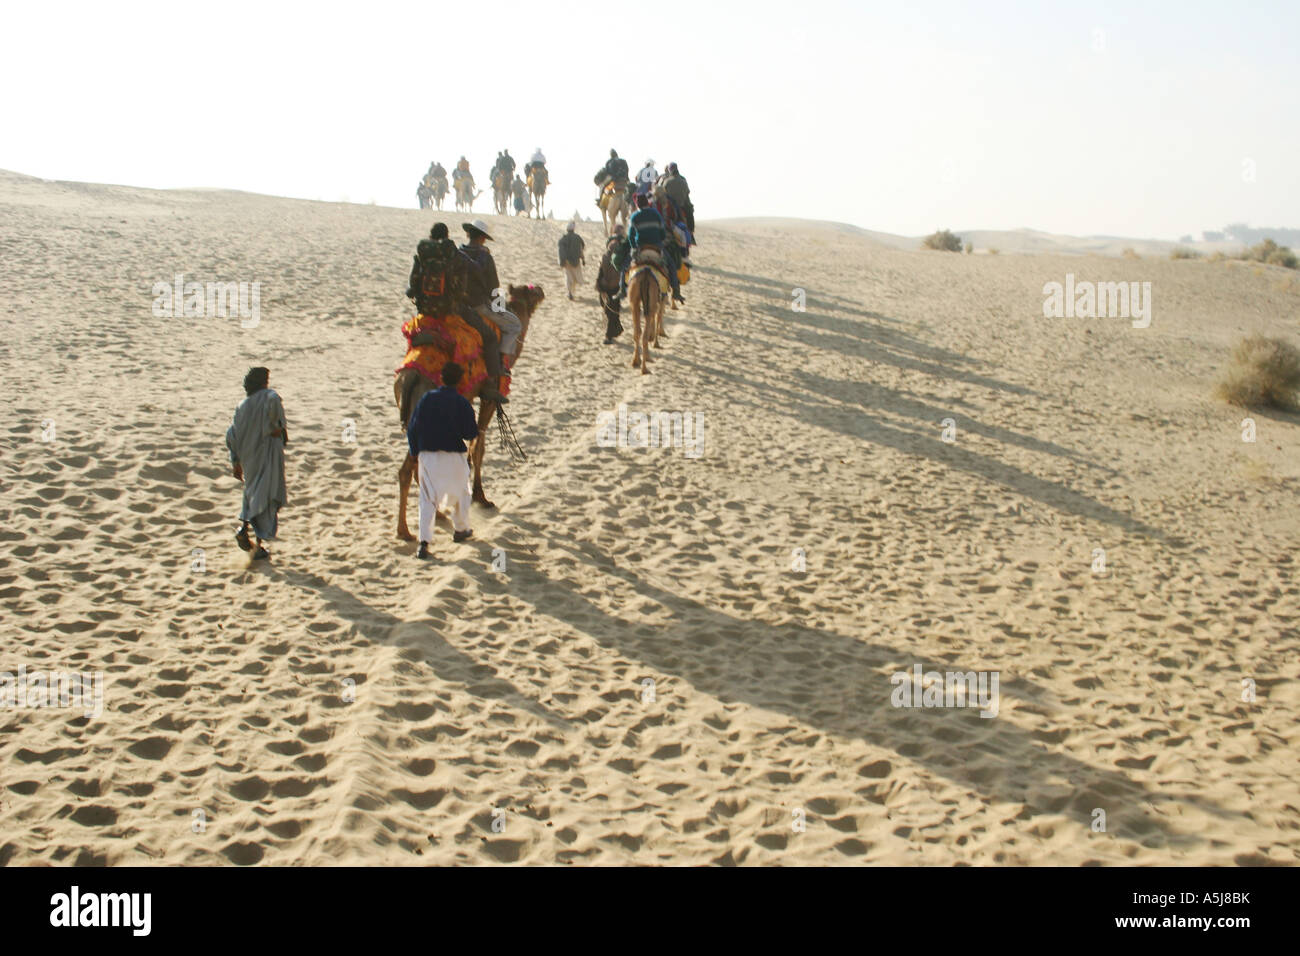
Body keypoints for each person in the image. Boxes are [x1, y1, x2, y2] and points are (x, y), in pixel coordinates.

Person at [407, 361, 479, 559]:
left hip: (428, 456)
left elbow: (412, 428)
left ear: (441, 378)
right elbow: (470, 433)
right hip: (454, 457)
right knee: (462, 494)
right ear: (460, 381)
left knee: (427, 500)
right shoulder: (462, 403)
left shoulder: (426, 399)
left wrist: (414, 452)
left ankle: (424, 543)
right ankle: (461, 529)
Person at [225, 367, 288, 562]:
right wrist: (279, 432)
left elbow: (231, 435)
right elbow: (277, 426)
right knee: (267, 496)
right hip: (267, 454)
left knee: (252, 493)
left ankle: (244, 529)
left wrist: (236, 462)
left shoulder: (242, 406)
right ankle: (257, 543)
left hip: (248, 457)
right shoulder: (271, 397)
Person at [459, 219, 522, 402]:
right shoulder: (485, 257)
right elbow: (493, 287)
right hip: (478, 306)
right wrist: (500, 306)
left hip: (457, 305)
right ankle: (502, 362)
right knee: (514, 325)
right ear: (482, 238)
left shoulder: (457, 252)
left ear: (468, 234)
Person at [596, 225, 626, 344]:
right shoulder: (620, 257)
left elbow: (600, 273)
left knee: (611, 310)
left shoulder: (604, 257)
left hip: (606, 286)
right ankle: (612, 333)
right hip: (614, 287)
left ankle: (610, 334)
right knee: (613, 310)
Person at [658, 162, 694, 235]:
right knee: (690, 212)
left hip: (671, 206)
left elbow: (662, 193)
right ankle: (691, 231)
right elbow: (687, 192)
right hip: (683, 205)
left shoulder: (666, 181)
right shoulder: (683, 179)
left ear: (669, 170)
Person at [558, 221, 586, 300]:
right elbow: (581, 249)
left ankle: (570, 293)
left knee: (568, 277)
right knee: (575, 277)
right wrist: (583, 259)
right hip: (575, 262)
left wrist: (562, 262)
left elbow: (560, 251)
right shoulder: (578, 238)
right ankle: (571, 293)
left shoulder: (563, 239)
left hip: (566, 262)